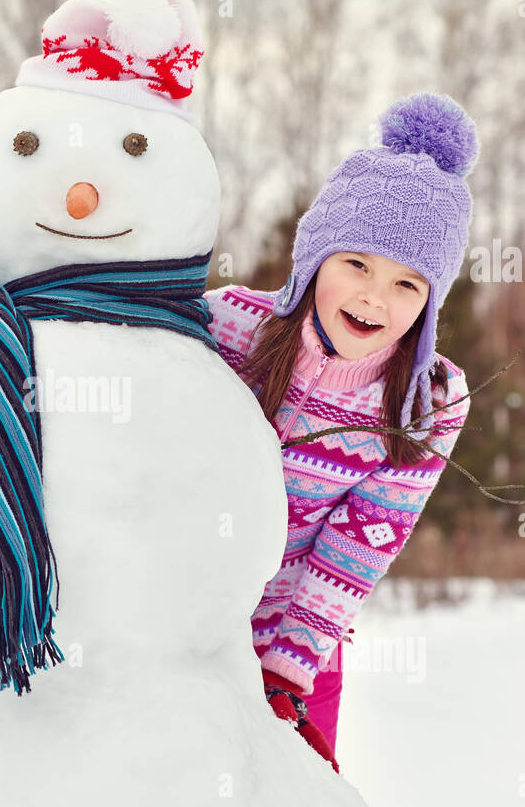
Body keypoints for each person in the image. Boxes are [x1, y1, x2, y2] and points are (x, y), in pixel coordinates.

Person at [204, 93, 478, 770]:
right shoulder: (224, 327)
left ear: (431, 305)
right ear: (314, 259)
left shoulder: (428, 401)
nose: (374, 299)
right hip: (179, 627)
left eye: (408, 285)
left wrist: (288, 669)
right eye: (356, 264)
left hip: (295, 653)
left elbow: (359, 543)